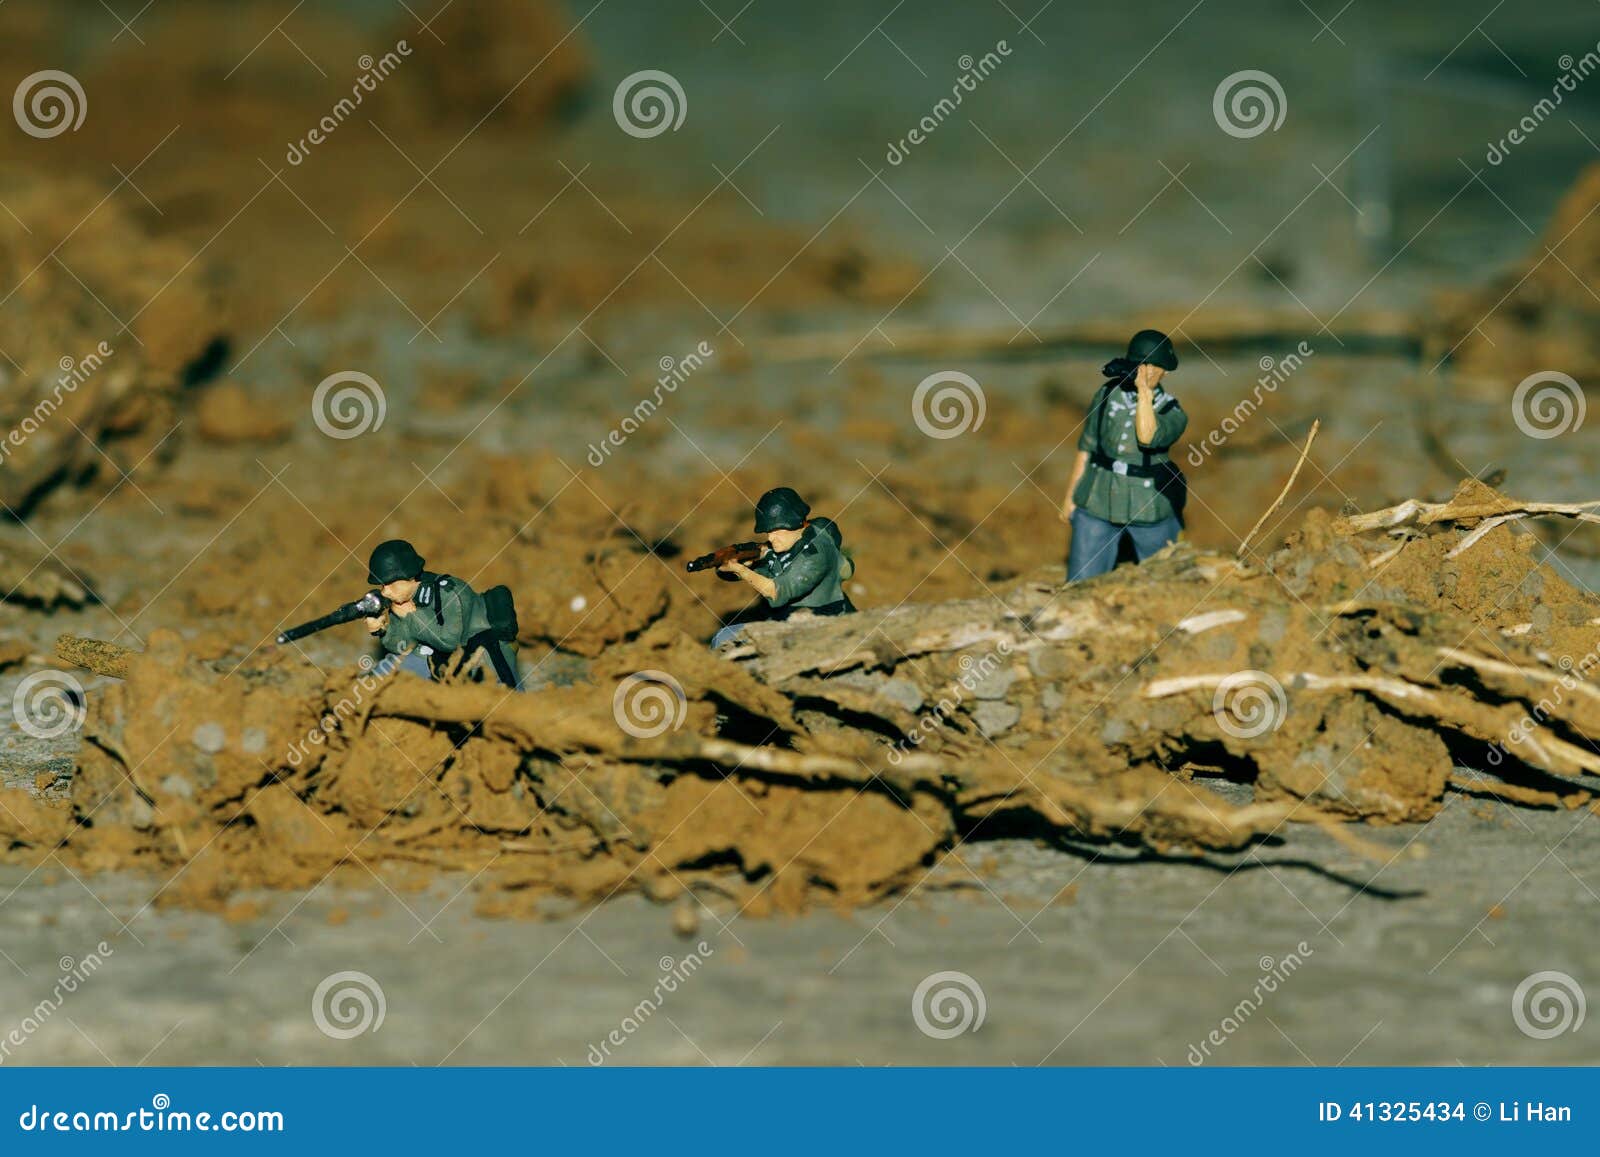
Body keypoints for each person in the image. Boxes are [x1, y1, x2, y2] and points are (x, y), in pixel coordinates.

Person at [1059, 329, 1189, 581]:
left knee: (1163, 577)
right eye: (1142, 364)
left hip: (1148, 503)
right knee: (1081, 580)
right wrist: (1071, 497)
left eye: (1153, 366)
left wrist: (1144, 393)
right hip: (1098, 497)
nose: (1146, 372)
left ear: (1165, 371)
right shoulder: (1107, 395)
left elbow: (1147, 436)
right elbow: (1088, 446)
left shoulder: (1172, 411)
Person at [362, 539, 521, 688]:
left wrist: (413, 615)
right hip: (437, 659)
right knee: (383, 676)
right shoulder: (401, 601)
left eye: (391, 584)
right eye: (382, 586)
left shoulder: (450, 593)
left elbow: (450, 642)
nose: (385, 592)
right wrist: (383, 630)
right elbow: (403, 646)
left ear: (410, 576)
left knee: (504, 694)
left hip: (483, 652)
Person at [710, 487, 855, 648]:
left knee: (729, 642)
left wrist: (741, 570)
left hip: (824, 621)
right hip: (786, 619)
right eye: (768, 532)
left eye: (776, 531)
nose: (771, 538)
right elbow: (761, 569)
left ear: (794, 522)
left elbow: (776, 592)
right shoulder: (782, 547)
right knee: (722, 638)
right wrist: (732, 566)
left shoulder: (814, 553)